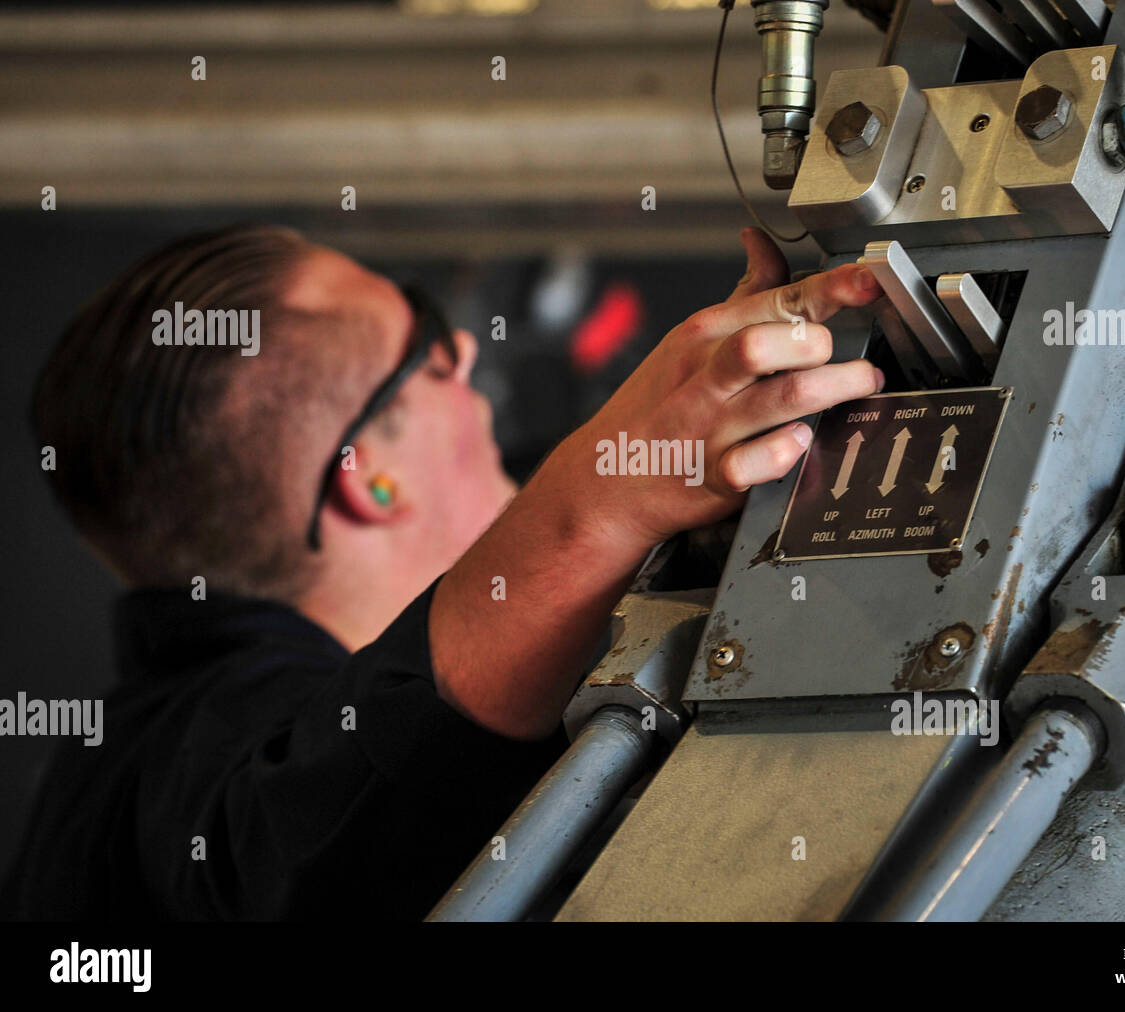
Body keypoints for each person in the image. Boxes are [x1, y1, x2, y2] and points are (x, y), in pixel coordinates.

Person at [2, 223, 884, 920]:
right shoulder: (180, 758)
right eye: (426, 343)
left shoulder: (120, 757)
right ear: (370, 482)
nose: (464, 349)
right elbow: (303, 867)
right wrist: (596, 505)